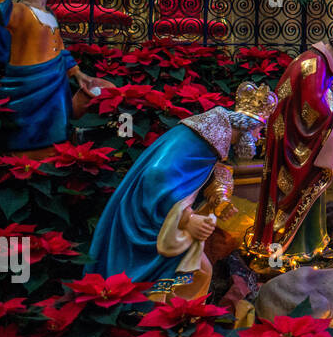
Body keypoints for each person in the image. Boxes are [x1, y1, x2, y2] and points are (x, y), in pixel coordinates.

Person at [87, 82, 276, 301]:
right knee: (198, 272)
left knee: (200, 271)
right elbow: (156, 177)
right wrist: (187, 219)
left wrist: (221, 201)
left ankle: (176, 320)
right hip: (148, 223)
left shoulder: (213, 138)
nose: (258, 138)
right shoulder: (200, 141)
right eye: (259, 130)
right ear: (246, 126)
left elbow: (216, 172)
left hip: (163, 220)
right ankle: (165, 321)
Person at [249, 18, 333, 264]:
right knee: (301, 191)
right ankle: (290, 250)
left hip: (302, 140)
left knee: (314, 191)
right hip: (295, 144)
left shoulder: (321, 61)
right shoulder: (314, 64)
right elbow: (311, 109)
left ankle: (312, 244)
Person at [0, 0, 101, 153]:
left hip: (55, 83)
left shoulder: (50, 15)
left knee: (55, 131)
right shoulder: (20, 11)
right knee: (27, 133)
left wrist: (76, 72)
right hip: (29, 83)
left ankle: (51, 167)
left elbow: (59, 48)